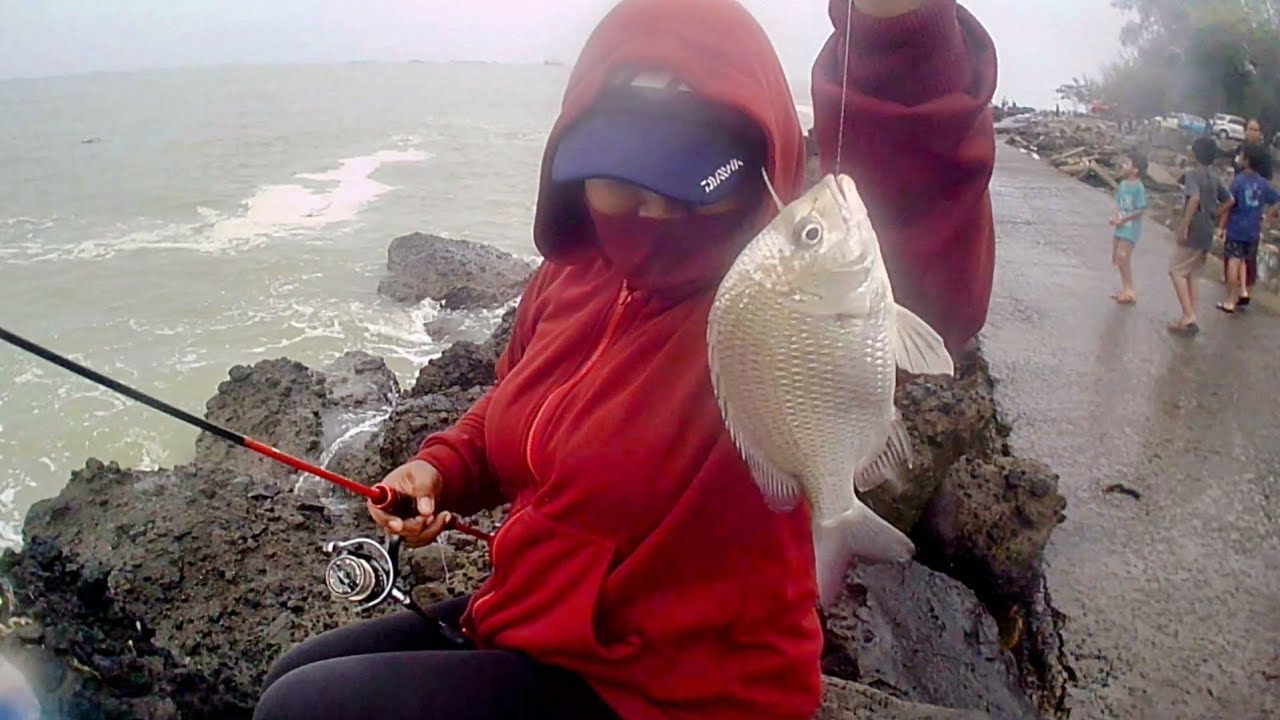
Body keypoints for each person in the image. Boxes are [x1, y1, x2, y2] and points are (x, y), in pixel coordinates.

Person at [254, 0, 998, 718]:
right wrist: (441, 469)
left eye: (687, 182)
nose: (656, 211)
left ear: (750, 161)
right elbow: (516, 405)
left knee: (300, 708)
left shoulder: (776, 295)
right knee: (290, 674)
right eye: (625, 181)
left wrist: (895, 22)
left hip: (675, 693)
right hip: (537, 622)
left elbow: (915, 187)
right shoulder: (571, 278)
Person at [1168, 137, 1229, 335]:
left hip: (1195, 228)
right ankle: (1191, 315)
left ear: (1195, 154)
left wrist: (1184, 225)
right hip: (1207, 229)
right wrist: (1214, 214)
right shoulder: (1214, 177)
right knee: (1193, 273)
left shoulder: (1193, 175)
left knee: (1176, 270)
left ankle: (1188, 316)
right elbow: (1230, 200)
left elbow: (1194, 198)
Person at [1217, 143, 1280, 314]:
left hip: (1236, 229)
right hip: (1253, 231)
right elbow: (1277, 200)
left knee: (1233, 262)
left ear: (1247, 160)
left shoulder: (1238, 181)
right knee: (1245, 262)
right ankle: (1243, 294)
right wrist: (1267, 216)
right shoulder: (1263, 184)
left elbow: (1229, 204)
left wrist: (1221, 225)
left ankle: (1230, 300)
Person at [1225, 118, 1276, 303]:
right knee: (1235, 255)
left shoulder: (1264, 156)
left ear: (1260, 133)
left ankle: (1242, 290)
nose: (1251, 132)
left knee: (1245, 256)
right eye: (1249, 128)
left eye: (1255, 129)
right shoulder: (1240, 149)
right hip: (1237, 203)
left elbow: (1268, 182)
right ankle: (1237, 288)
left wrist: (1267, 215)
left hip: (1251, 207)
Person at [1109, 151, 1148, 304]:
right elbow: (1119, 204)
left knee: (1123, 256)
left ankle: (1130, 289)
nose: (1123, 166)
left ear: (1135, 169)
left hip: (1131, 228)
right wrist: (1116, 217)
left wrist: (1124, 219)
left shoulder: (1139, 188)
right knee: (1117, 257)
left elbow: (1140, 210)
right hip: (1121, 225)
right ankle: (1125, 287)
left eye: (1127, 163)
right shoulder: (1123, 185)